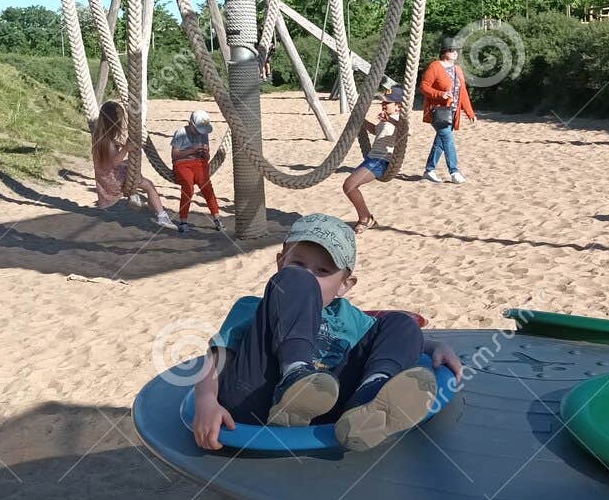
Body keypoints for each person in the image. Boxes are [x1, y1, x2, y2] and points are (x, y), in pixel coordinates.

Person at [191, 213, 463, 453]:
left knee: (402, 323)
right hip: (254, 398)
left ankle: (370, 399)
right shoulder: (254, 307)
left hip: (328, 410)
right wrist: (205, 401)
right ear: (280, 263)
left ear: (344, 285)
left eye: (322, 271)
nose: (308, 276)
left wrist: (433, 345)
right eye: (297, 264)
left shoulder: (348, 317)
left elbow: (387, 338)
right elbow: (217, 358)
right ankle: (294, 372)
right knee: (293, 287)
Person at [91, 100, 174, 228]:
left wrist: (119, 146)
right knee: (149, 185)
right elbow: (114, 162)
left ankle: (136, 196)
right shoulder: (109, 144)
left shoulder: (99, 138)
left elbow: (108, 159)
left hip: (103, 178)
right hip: (112, 180)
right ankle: (161, 216)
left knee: (130, 165)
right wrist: (125, 149)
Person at [342, 87, 405, 230]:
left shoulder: (398, 120)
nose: (383, 105)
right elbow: (374, 130)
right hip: (371, 158)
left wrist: (390, 120)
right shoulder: (384, 120)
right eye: (383, 102)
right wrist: (360, 119)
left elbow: (405, 131)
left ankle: (365, 218)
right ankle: (366, 217)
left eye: (387, 103)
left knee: (349, 185)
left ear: (398, 106)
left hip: (381, 161)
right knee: (349, 186)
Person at [419, 39, 476, 183]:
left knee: (441, 141)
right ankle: (454, 171)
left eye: (456, 50)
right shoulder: (435, 67)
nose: (455, 53)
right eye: (452, 50)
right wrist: (440, 94)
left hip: (452, 111)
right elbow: (424, 87)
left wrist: (470, 113)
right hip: (437, 111)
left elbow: (462, 93)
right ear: (444, 52)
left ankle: (429, 170)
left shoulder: (458, 69)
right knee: (448, 139)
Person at [171, 109, 223, 234]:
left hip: (199, 163)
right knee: (188, 188)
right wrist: (192, 150)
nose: (200, 132)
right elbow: (175, 155)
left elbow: (207, 156)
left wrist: (205, 153)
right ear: (190, 124)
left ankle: (217, 219)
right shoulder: (180, 133)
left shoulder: (204, 133)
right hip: (182, 163)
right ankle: (183, 221)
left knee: (207, 188)